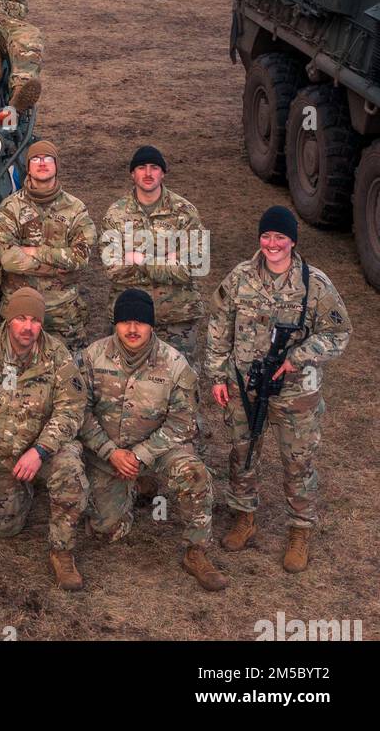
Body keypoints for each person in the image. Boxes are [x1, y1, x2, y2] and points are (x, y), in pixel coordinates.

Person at [206, 207, 351, 573]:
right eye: (267, 236)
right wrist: (218, 376)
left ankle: (299, 531)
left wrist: (299, 356)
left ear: (293, 241)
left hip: (295, 392)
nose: (272, 244)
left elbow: (338, 332)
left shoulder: (313, 283)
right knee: (243, 452)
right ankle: (244, 517)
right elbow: (219, 325)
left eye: (280, 238)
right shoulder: (240, 277)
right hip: (245, 386)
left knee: (297, 461)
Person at [78, 289, 228, 591]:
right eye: (125, 322)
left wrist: (139, 456)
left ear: (151, 325)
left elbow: (183, 422)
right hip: (109, 453)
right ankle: (132, 489)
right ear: (115, 323)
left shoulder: (174, 364)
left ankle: (196, 551)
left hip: (159, 451)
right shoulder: (91, 357)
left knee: (194, 473)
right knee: (106, 532)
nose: (132, 329)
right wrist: (110, 453)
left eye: (140, 323)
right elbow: (78, 412)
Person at [0, 288, 88, 590]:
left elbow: (72, 409)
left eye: (35, 320)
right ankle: (21, 489)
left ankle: (62, 551)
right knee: (5, 529)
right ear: (8, 319)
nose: (28, 327)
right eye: (21, 319)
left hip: (44, 450)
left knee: (71, 473)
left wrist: (40, 450)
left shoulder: (57, 354)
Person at [99, 145, 206, 363]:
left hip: (176, 320)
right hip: (130, 320)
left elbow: (194, 267)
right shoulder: (115, 214)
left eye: (154, 167)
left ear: (163, 173)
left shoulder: (185, 213)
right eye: (141, 168)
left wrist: (137, 259)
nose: (148, 174)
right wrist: (168, 260)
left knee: (179, 387)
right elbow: (113, 270)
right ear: (132, 174)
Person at [0, 140, 97, 350]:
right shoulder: (11, 207)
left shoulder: (75, 208)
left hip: (63, 314)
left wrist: (34, 251)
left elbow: (80, 258)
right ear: (28, 166)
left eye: (48, 158)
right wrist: (57, 266)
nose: (42, 163)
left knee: (68, 374)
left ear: (56, 165)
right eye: (36, 159)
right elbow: (9, 260)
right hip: (18, 313)